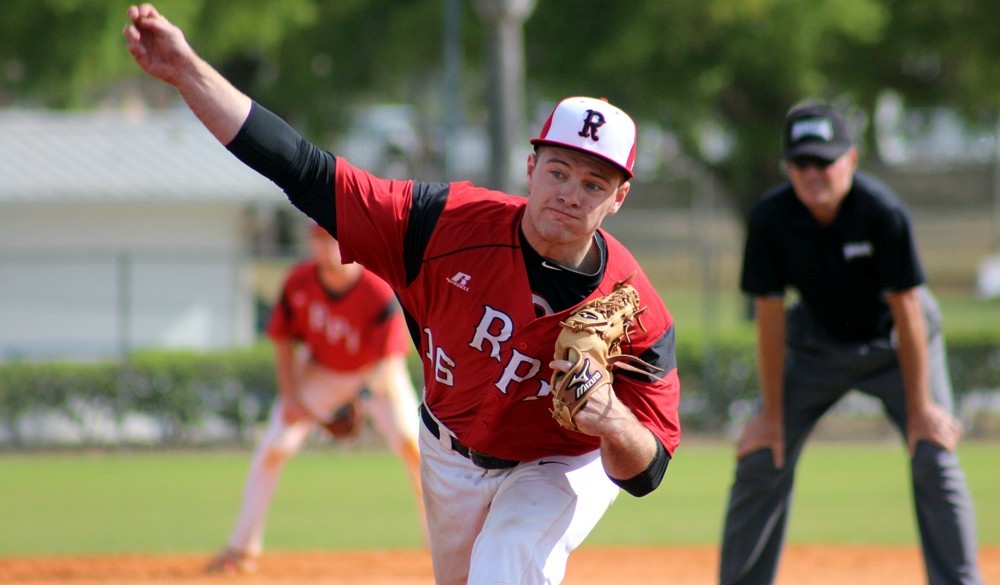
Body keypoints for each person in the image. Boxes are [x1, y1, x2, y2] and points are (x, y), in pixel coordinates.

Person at [124, 5, 681, 584]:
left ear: (619, 198)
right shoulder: (439, 224)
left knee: (509, 558)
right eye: (559, 171)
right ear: (531, 165)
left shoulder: (637, 310)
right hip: (449, 451)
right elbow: (303, 169)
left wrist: (613, 420)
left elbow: (645, 472)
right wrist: (190, 74)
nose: (570, 193)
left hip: (558, 462)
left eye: (594, 184)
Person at [718, 100, 983, 585]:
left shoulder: (882, 212)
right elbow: (770, 317)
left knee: (933, 452)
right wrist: (770, 417)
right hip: (815, 347)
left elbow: (908, 308)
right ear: (788, 168)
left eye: (825, 160)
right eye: (801, 162)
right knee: (762, 453)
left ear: (852, 160)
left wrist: (921, 408)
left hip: (896, 346)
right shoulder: (771, 219)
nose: (813, 172)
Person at [206, 223, 424, 574]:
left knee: (415, 449)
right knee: (273, 448)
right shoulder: (299, 281)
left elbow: (388, 360)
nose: (324, 247)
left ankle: (438, 546)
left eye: (331, 238)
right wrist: (290, 396)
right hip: (322, 371)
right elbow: (283, 341)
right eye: (318, 238)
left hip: (375, 374)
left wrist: (361, 400)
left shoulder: (376, 287)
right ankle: (241, 549)